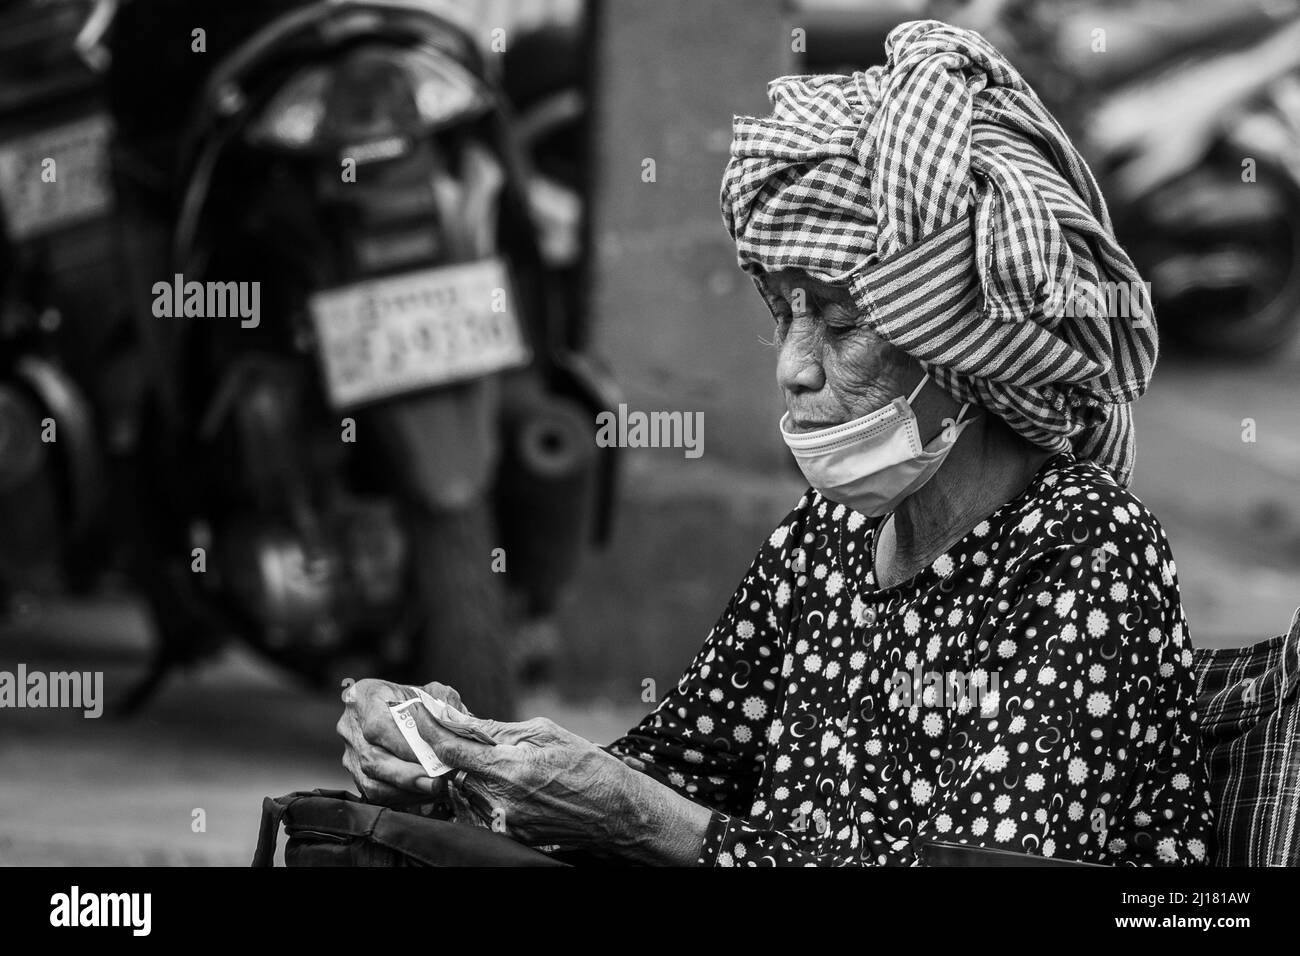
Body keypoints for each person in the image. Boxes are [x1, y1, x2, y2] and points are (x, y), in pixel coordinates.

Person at [336, 19, 1215, 866]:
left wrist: (639, 815)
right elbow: (672, 776)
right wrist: (462, 760)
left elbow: (982, 870)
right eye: (786, 315)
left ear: (967, 356)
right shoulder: (823, 538)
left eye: (838, 323)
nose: (794, 367)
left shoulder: (1085, 551)